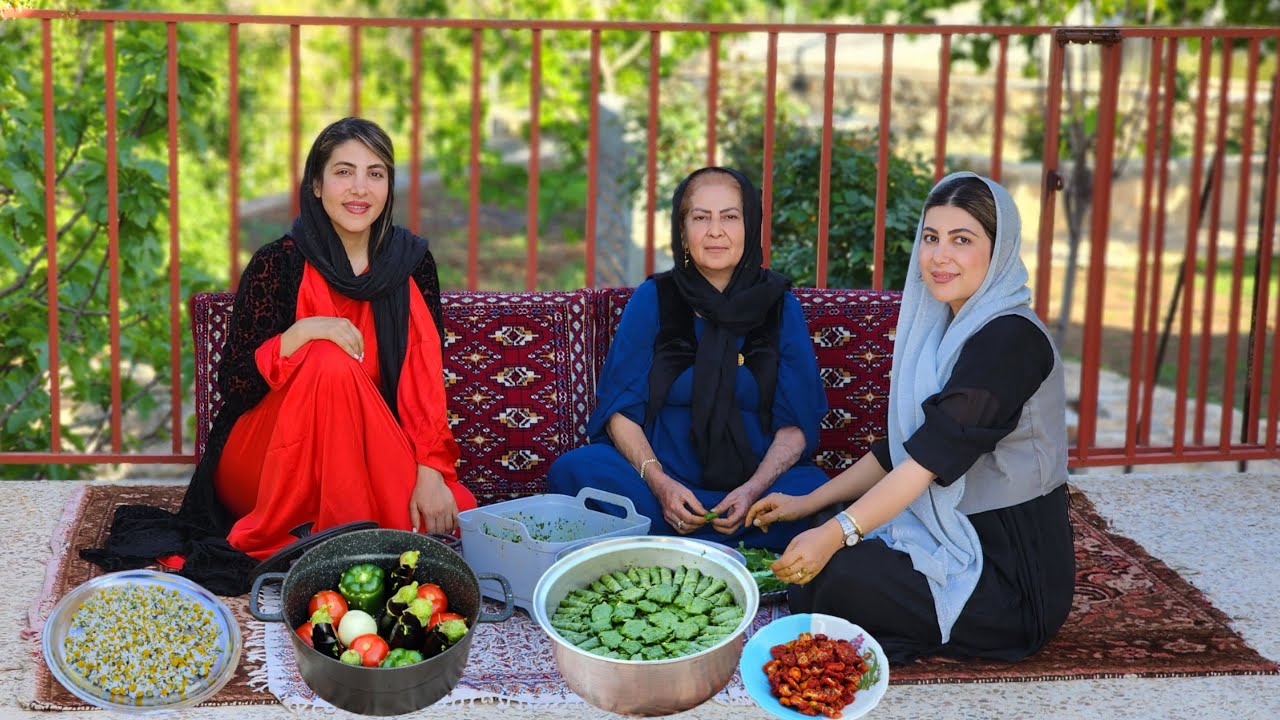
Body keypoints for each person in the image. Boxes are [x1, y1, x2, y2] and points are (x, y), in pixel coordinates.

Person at [82, 117, 475, 594]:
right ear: (316, 183)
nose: (359, 188)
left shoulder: (411, 263)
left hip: (368, 440)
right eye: (343, 171)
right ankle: (345, 543)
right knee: (329, 361)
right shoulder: (279, 262)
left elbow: (423, 374)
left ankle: (340, 532)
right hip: (268, 456)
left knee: (458, 507)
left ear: (389, 185)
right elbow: (236, 384)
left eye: (375, 173)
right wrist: (304, 333)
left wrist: (430, 470)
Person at [745, 172, 1075, 664]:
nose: (940, 256)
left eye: (962, 240)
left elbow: (923, 461)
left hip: (1007, 569)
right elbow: (902, 445)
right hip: (948, 519)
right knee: (813, 524)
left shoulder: (1010, 341)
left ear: (999, 248)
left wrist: (836, 533)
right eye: (931, 237)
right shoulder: (947, 325)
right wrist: (810, 502)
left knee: (836, 573)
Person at [547, 166, 829, 550]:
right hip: (659, 491)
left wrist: (751, 491)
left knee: (813, 492)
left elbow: (795, 426)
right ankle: (718, 547)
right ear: (683, 230)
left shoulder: (781, 307)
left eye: (730, 216)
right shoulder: (653, 299)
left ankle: (656, 548)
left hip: (754, 495)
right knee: (576, 470)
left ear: (751, 226)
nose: (715, 231)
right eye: (701, 217)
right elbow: (620, 413)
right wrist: (661, 485)